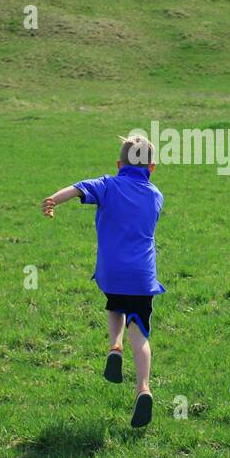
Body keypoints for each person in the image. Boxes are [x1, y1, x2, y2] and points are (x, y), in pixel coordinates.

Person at [42, 135, 164, 427]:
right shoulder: (155, 195)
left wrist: (53, 201)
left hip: (112, 273)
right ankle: (143, 388)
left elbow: (77, 188)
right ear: (152, 167)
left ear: (119, 164)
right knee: (141, 332)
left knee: (115, 305)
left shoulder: (108, 184)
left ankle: (114, 346)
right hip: (141, 276)